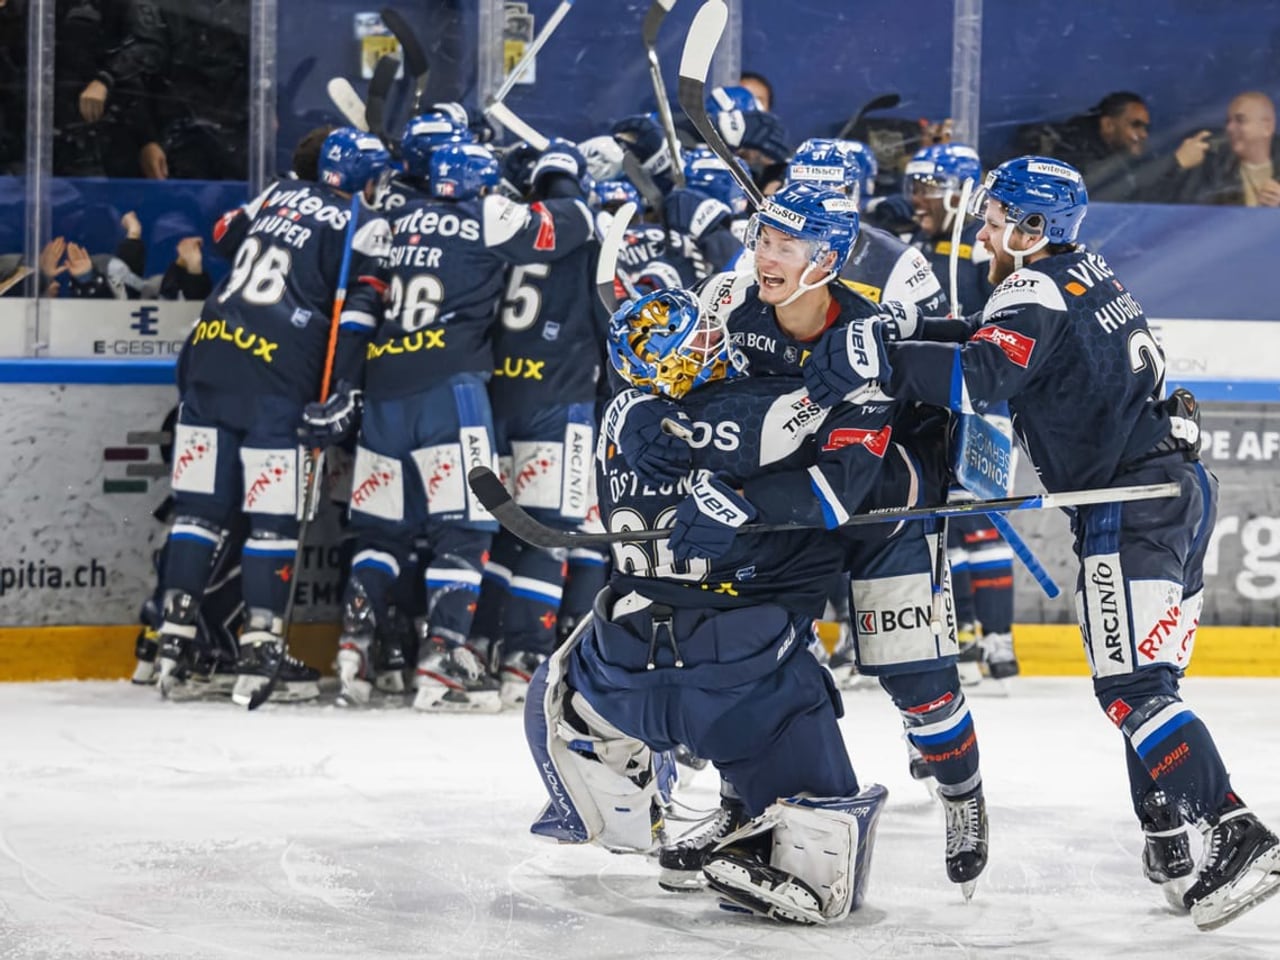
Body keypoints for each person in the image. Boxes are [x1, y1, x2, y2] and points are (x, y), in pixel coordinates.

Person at [802, 155, 1280, 931]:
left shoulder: (1030, 284)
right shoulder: (1079, 273)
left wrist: (880, 360)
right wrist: (912, 325)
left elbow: (981, 378)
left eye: (998, 218)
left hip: (1128, 508)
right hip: (1176, 493)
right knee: (1148, 684)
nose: (985, 228)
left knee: (1132, 691)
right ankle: (1169, 835)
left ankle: (1235, 831)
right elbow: (1001, 342)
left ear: (1033, 228)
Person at [613, 184, 990, 898]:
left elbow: (840, 487)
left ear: (829, 258)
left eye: (786, 246)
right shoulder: (728, 298)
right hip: (775, 516)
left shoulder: (862, 337)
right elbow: (672, 365)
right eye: (763, 239)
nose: (766, 257)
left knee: (917, 680)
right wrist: (647, 410)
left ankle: (962, 794)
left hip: (881, 512)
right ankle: (740, 805)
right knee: (749, 662)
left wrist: (740, 503)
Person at [524, 285, 889, 925]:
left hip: (620, 683)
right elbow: (846, 483)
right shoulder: (760, 408)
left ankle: (609, 793)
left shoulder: (618, 417)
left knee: (569, 657)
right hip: (737, 682)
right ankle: (771, 843)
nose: (718, 336)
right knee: (829, 828)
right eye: (703, 336)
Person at [334, 140, 597, 711]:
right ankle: (444, 660)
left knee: (382, 535)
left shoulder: (399, 215)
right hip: (452, 393)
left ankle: (353, 649)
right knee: (470, 531)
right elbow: (572, 222)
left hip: (383, 389)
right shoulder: (488, 215)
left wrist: (343, 388)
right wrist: (562, 174)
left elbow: (360, 295)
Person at [153, 127, 393, 704]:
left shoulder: (276, 194)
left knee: (199, 512)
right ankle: (260, 651)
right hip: (278, 375)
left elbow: (221, 235)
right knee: (271, 519)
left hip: (211, 355)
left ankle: (171, 645)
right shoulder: (366, 222)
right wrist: (344, 391)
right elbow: (357, 316)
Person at [901, 142, 1018, 681]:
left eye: (929, 187)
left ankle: (996, 640)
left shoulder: (979, 250)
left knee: (975, 520)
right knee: (951, 519)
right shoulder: (922, 246)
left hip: (982, 394)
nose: (918, 198)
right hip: (942, 395)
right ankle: (970, 636)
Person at [1168, 91, 1280, 207]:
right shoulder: (1213, 173)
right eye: (1228, 122)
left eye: (1240, 120)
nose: (1230, 128)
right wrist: (1177, 163)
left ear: (1267, 127)